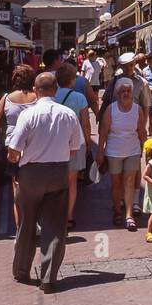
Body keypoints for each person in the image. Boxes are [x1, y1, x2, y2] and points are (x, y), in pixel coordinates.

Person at [6, 71, 84, 291]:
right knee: (55, 226)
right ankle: (48, 278)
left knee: (26, 224)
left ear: (35, 90)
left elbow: (14, 149)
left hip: (30, 174)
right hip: (58, 172)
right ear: (56, 89)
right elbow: (74, 148)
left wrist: (15, 162)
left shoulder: (28, 115)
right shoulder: (68, 114)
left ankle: (22, 270)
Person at [0, 63, 38, 229]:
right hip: (33, 146)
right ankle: (34, 224)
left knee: (16, 188)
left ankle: (20, 228)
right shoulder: (37, 97)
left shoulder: (6, 98)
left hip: (13, 148)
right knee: (34, 188)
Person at [97, 77, 147, 231]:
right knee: (116, 182)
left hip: (132, 150)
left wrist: (147, 149)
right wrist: (100, 152)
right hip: (113, 151)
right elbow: (103, 132)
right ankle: (117, 210)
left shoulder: (137, 109)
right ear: (118, 94)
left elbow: (142, 132)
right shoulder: (111, 109)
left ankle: (129, 215)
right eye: (123, 91)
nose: (126, 94)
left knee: (130, 181)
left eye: (128, 91)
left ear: (132, 93)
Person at [56, 61, 93, 229]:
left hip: (55, 143)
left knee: (56, 181)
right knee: (72, 182)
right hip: (74, 143)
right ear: (72, 80)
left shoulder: (51, 96)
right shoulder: (79, 98)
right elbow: (85, 123)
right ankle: (69, 216)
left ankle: (55, 214)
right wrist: (88, 143)